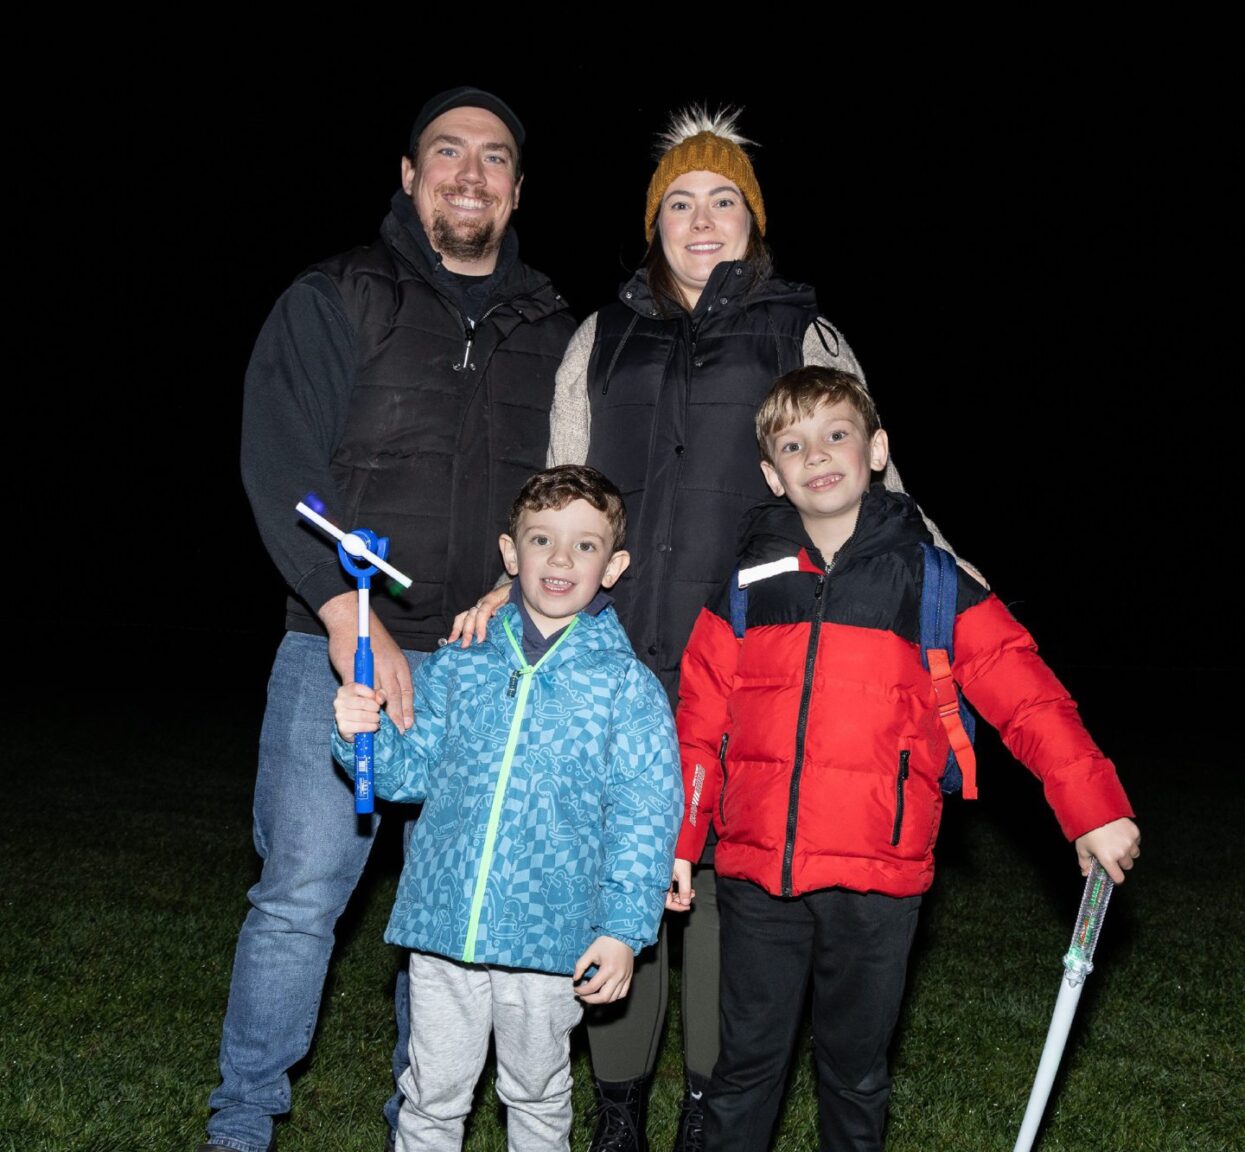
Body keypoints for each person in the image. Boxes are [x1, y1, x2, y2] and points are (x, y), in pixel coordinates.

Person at [454, 105, 968, 1152]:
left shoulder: (804, 332)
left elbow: (874, 486)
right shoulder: (604, 335)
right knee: (627, 871)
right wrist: (510, 585)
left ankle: (709, 1098)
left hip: (762, 653)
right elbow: (561, 478)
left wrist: (958, 584)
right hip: (622, 643)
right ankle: (617, 1100)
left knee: (733, 889)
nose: (700, 219)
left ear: (753, 221)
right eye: (679, 201)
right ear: (656, 221)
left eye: (722, 200)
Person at [201, 87, 576, 1152]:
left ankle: (424, 1124)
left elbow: (570, 485)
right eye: (446, 152)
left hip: (480, 662)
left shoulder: (549, 325)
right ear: (408, 178)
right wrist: (339, 609)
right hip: (339, 650)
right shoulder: (335, 297)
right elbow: (278, 468)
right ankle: (242, 1126)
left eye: (494, 157)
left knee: (447, 917)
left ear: (515, 190)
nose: (470, 173)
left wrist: (520, 589)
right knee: (300, 899)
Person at [673, 365, 1141, 1152]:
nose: (816, 454)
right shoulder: (747, 586)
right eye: (793, 444)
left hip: (876, 875)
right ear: (770, 473)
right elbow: (698, 723)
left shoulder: (931, 580)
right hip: (757, 874)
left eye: (836, 434)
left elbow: (1028, 700)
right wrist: (683, 840)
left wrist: (1091, 808)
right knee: (743, 1070)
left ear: (877, 448)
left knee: (853, 1072)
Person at [332, 464, 683, 1152]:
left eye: (584, 545)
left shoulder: (624, 687)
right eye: (541, 539)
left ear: (612, 566)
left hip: (550, 936)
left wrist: (620, 929)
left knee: (536, 1092)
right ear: (508, 553)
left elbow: (645, 813)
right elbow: (405, 775)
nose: (559, 559)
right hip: (445, 926)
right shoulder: (459, 662)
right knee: (430, 1093)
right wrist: (356, 736)